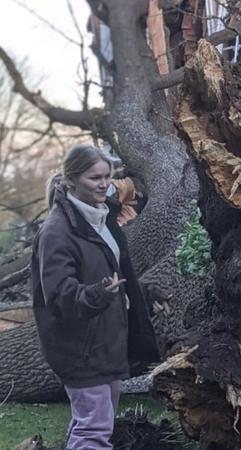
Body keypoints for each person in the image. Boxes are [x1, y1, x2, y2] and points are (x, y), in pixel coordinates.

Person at [31, 144, 164, 449]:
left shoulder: (103, 219)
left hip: (107, 343)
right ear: (72, 181)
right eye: (95, 178)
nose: (104, 184)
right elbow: (60, 295)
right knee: (94, 430)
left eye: (107, 176)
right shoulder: (56, 232)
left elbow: (111, 274)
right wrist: (96, 294)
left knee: (89, 424)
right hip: (80, 349)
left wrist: (144, 294)